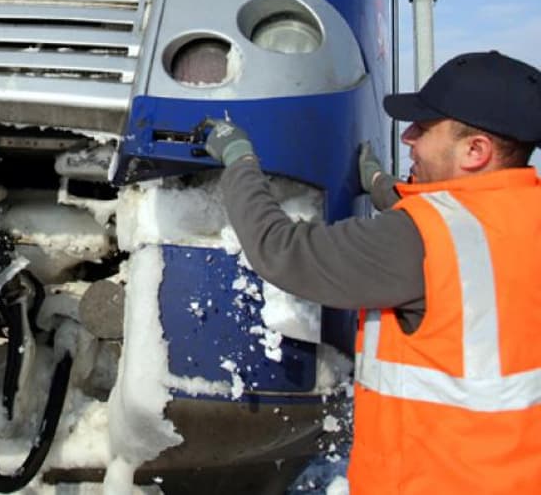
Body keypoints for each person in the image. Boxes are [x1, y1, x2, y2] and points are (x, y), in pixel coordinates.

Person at [202, 50, 541, 494]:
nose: (408, 139)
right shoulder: (522, 214)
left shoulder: (417, 241)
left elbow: (282, 251)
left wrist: (239, 161)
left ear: (475, 150)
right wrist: (384, 187)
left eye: (424, 127)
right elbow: (464, 243)